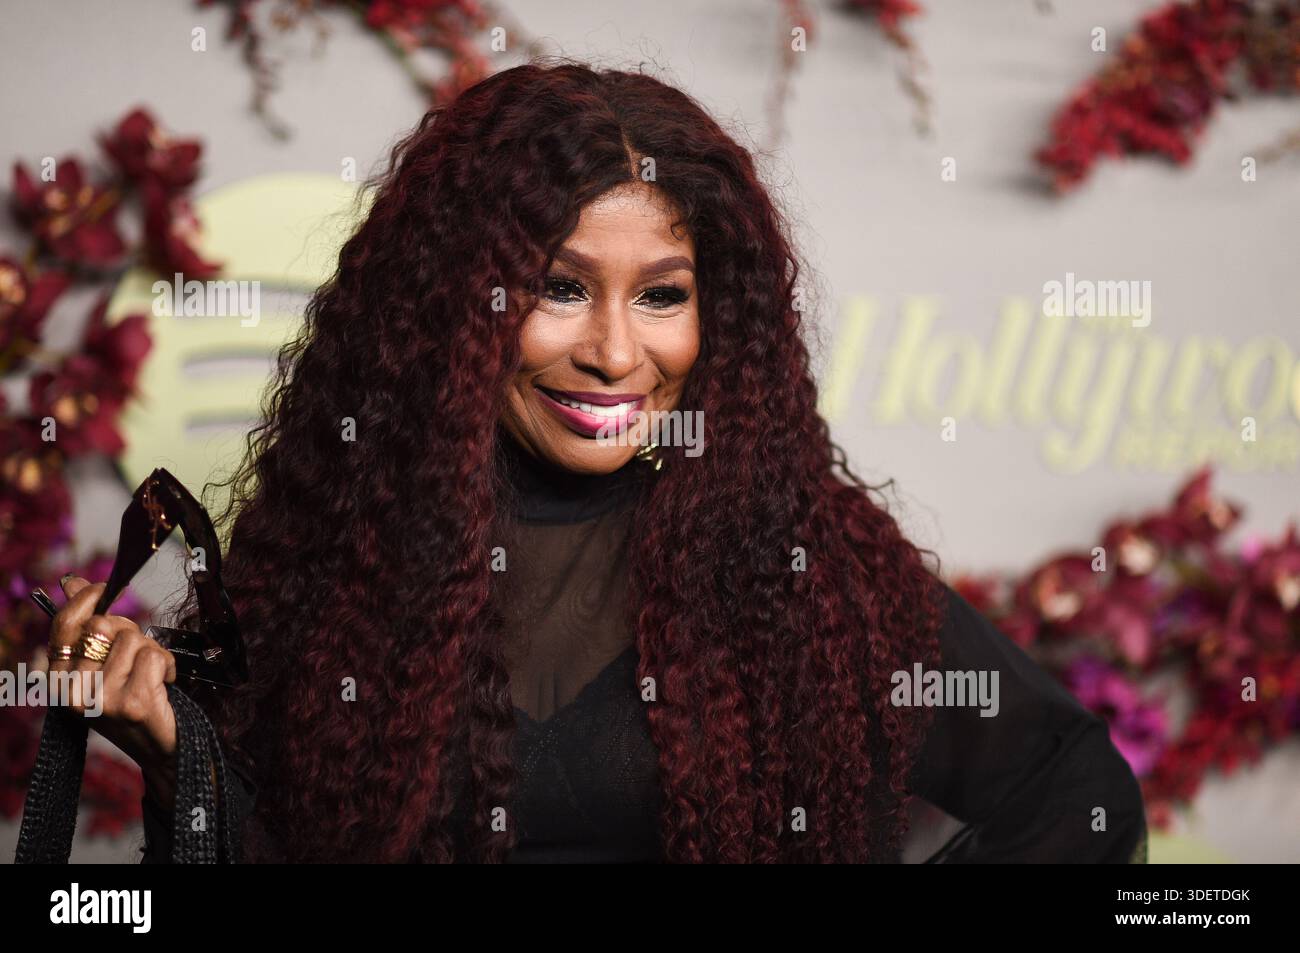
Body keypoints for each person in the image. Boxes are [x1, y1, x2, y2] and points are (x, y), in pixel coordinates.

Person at [44, 60, 1147, 863]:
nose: (616, 352)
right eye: (559, 287)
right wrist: (170, 747)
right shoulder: (341, 565)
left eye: (663, 294)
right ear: (455, 305)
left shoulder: (804, 568)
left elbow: (1076, 793)